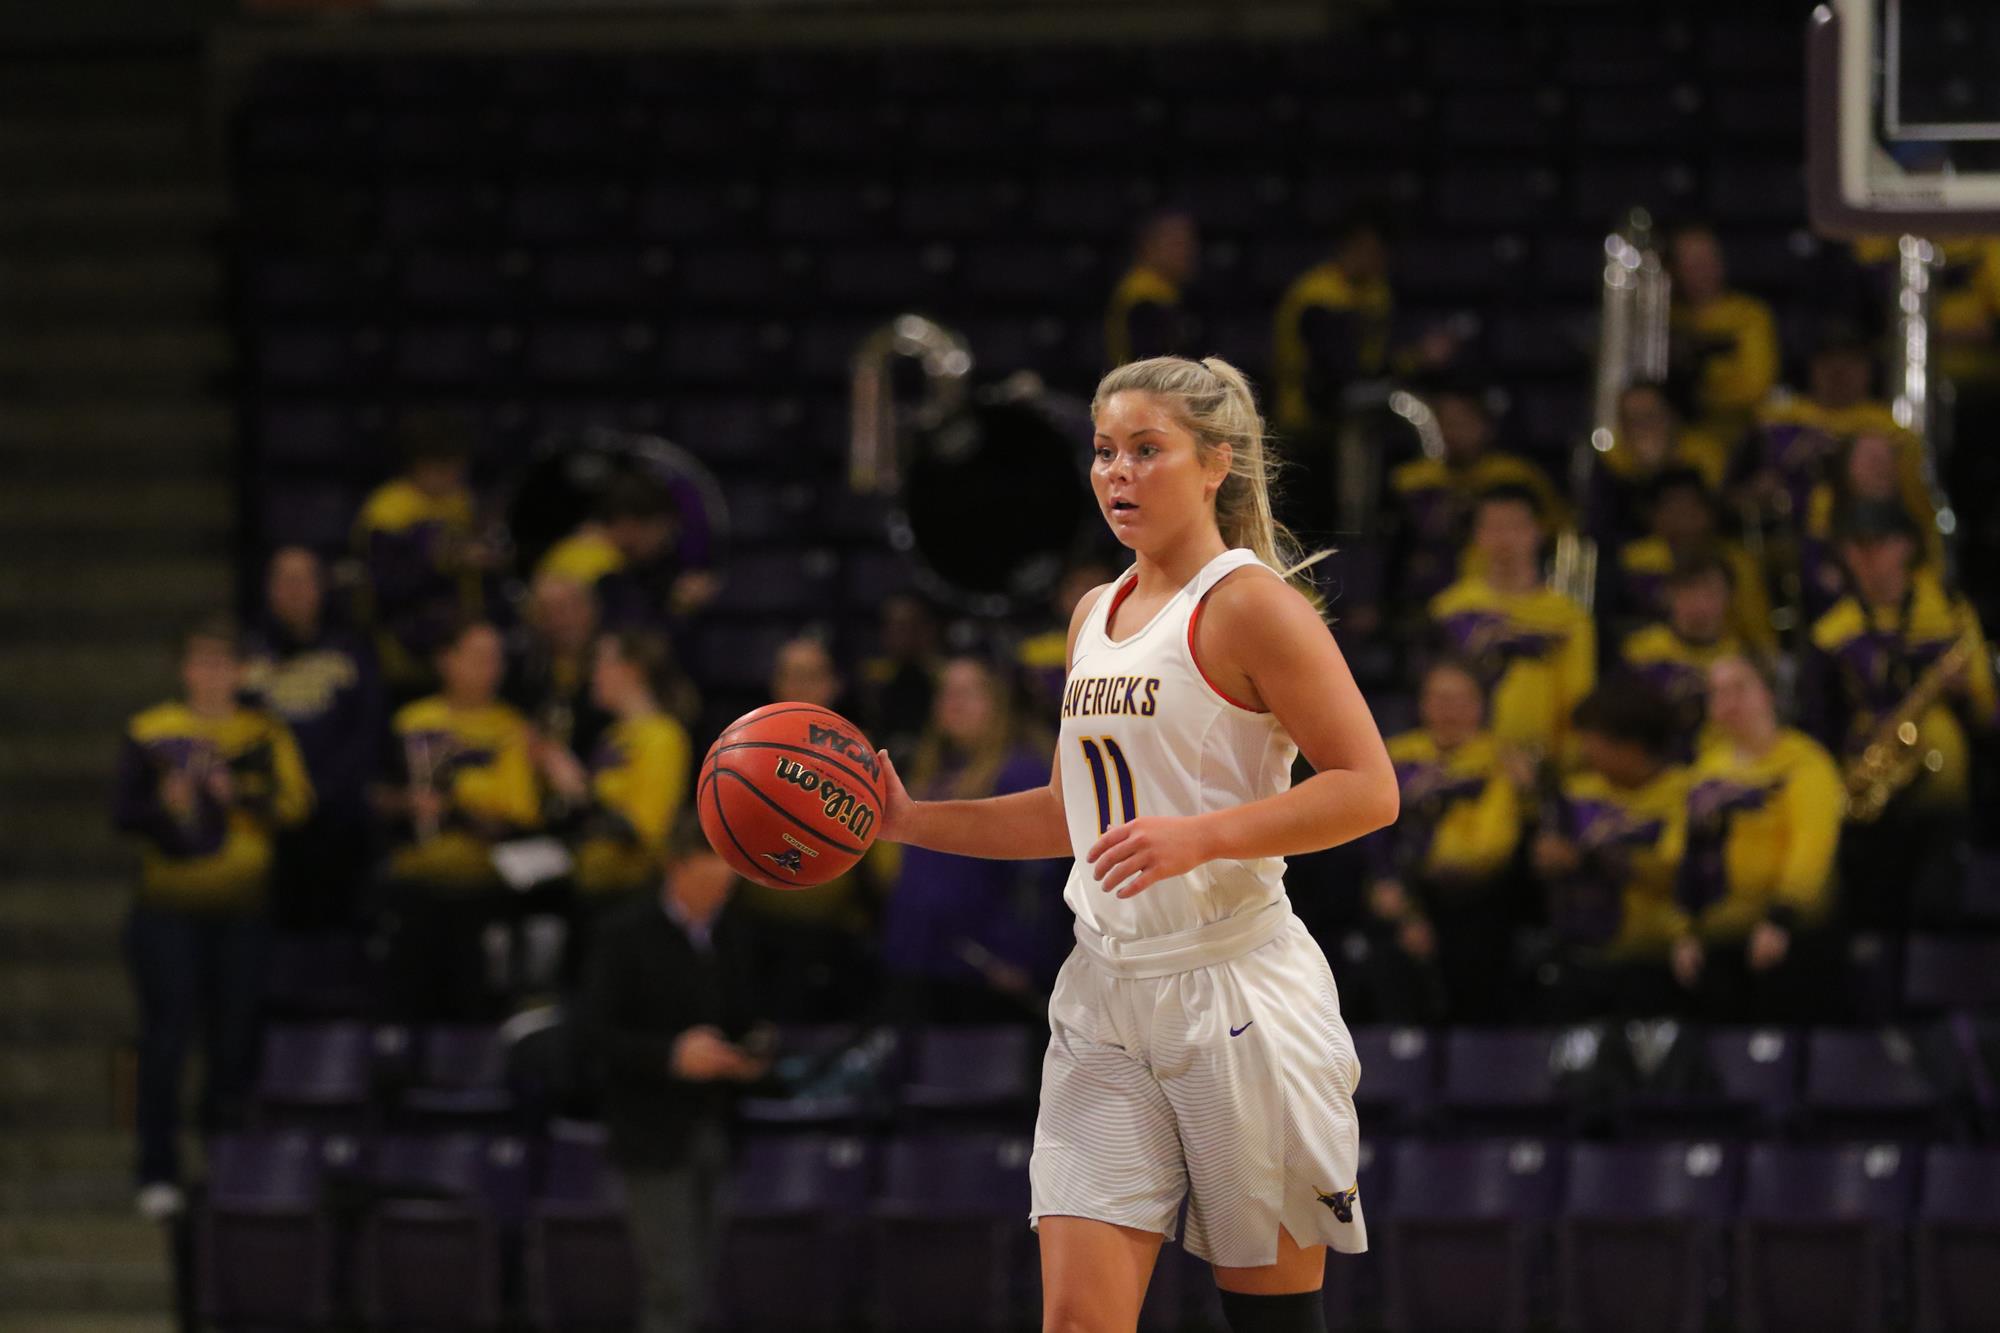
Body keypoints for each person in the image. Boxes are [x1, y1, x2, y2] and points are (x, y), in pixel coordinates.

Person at [875, 355, 1400, 1333]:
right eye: (1104, 452)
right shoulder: (1091, 613)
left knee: (1270, 1322)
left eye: (1144, 450)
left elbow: (1368, 788)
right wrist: (912, 820)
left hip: (1233, 989)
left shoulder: (1248, 605)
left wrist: (1202, 836)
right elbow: (1077, 814)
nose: (1116, 473)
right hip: (1102, 992)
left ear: (1215, 463)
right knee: (1076, 1320)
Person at [111, 618, 313, 1219]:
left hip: (242, 911)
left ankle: (229, 1168)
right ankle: (157, 1171)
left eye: (224, 663)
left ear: (240, 671)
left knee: (234, 1042)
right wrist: (164, 806)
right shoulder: (152, 730)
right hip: (168, 908)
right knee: (165, 1039)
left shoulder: (263, 731)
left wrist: (239, 795)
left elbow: (297, 806)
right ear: (184, 669)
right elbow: (123, 811)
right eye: (202, 662)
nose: (213, 674)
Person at [580, 817, 770, 1333]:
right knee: (673, 1286)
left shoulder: (733, 932)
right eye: (713, 872)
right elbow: (593, 1035)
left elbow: (749, 1017)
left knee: (704, 1283)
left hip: (717, 1125)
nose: (724, 885)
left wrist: (751, 1052)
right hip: (652, 1132)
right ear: (678, 866)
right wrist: (671, 1054)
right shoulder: (624, 933)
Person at [1804, 503, 1997, 927]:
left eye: (1876, 545)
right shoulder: (1832, 631)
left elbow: (1990, 715)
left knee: (1940, 913)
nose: (1864, 558)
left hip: (1944, 789)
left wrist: (1965, 695)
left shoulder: (1949, 611)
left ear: (1906, 546)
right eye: (1854, 547)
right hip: (1870, 790)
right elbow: (1820, 721)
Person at [880, 655, 1067, 1022]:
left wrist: (1017, 954)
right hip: (918, 958)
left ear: (998, 701)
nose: (953, 704)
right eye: (946, 693)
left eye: (968, 694)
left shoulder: (1024, 772)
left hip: (987, 972)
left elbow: (1039, 880)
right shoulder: (930, 768)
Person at [379, 620, 541, 1019]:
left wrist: (455, 806)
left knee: (475, 997)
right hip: (415, 879)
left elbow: (520, 814)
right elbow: (376, 793)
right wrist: (406, 804)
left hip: (482, 887)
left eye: (496, 659)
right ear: (446, 661)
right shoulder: (412, 721)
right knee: (404, 996)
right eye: (479, 658)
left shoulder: (512, 727)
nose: (491, 668)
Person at [1671, 654, 1842, 1023]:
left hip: (1789, 934)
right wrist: (1684, 932)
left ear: (1768, 695)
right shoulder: (1707, 769)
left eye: (1739, 688)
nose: (1727, 702)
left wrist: (1779, 919)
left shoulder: (1806, 762)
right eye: (1717, 693)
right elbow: (1689, 851)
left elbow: (1811, 848)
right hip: (1717, 939)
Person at [733, 635, 882, 1021]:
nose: (799, 686)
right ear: (775, 683)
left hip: (832, 931)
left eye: (810, 676)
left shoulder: (864, 757)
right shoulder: (740, 748)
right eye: (790, 675)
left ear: (834, 684)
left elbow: (883, 861)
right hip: (751, 925)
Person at [1364, 659, 1521, 1023]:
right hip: (1408, 892)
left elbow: (1498, 841)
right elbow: (1376, 832)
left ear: (1481, 705)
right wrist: (1395, 894)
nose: (1449, 710)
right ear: (1422, 704)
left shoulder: (1501, 758)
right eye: (1439, 698)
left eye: (1461, 699)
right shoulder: (1396, 755)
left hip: (1481, 897)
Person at [1527, 677, 1689, 1021]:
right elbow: (1547, 854)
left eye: (1592, 740)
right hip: (1579, 959)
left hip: (1653, 962)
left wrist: (1589, 858)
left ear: (1630, 746)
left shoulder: (1683, 794)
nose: (1585, 750)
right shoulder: (1577, 792)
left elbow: (1671, 871)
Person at [240, 546, 384, 929]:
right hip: (269, 821)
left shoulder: (352, 651)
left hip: (338, 822)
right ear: (268, 589)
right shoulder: (247, 654)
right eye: (283, 580)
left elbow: (368, 731)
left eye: (302, 579)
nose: (293, 590)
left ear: (321, 587)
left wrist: (325, 791)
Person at [1427, 484, 1596, 762]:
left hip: (1538, 762)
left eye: (1515, 527)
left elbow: (1578, 702)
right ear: (1477, 536)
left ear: (1538, 531)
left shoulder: (1568, 617)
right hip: (1462, 765)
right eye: (1493, 528)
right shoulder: (1450, 608)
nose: (1504, 539)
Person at [538, 631, 692, 913]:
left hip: (631, 893)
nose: (594, 674)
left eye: (601, 663)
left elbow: (646, 829)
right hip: (591, 883)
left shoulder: (662, 736)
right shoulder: (612, 735)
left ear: (632, 671)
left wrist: (578, 790)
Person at [1382, 384, 1563, 611]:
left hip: (1505, 591)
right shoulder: (1413, 479)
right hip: (1429, 590)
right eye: (1445, 424)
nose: (1453, 433)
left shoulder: (1515, 475)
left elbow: (1553, 529)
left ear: (1486, 426)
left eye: (1463, 423)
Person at [352, 409, 494, 697]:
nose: (455, 477)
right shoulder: (388, 511)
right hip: (403, 660)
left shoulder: (461, 503)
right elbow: (387, 587)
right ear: (422, 466)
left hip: (458, 654)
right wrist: (445, 561)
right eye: (447, 469)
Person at [1610, 468, 1774, 654]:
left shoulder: (1739, 562)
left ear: (1708, 513)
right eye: (1672, 509)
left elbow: (1759, 632)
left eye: (1690, 507)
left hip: (1728, 658)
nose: (1683, 518)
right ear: (1653, 516)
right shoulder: (1637, 558)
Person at [538, 474, 718, 631]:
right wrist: (680, 608)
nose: (663, 544)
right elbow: (633, 639)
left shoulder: (574, 549)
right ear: (628, 525)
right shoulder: (602, 566)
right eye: (659, 531)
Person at [1618, 550, 1750, 760]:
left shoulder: (1744, 659)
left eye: (1711, 593)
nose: (1700, 604)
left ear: (1729, 598)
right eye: (1689, 591)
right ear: (1669, 595)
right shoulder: (1641, 652)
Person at [1667, 224, 1778, 448]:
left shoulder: (1749, 314)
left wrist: (1701, 392)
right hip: (1674, 439)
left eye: (1707, 260)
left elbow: (1754, 386)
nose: (1701, 270)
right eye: (1690, 263)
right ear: (1674, 269)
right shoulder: (1664, 318)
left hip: (1738, 437)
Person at [507, 571, 613, 763]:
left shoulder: (614, 666)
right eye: (553, 611)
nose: (566, 619)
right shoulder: (521, 671)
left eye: (575, 606)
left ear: (594, 609)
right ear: (536, 618)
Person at [1105, 209, 1201, 368]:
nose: (1188, 252)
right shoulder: (1143, 296)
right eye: (1177, 244)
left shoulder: (1167, 291)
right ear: (1148, 246)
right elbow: (1152, 364)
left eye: (1190, 244)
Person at [859, 592, 942, 760]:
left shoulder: (943, 679)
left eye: (910, 626)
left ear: (928, 629)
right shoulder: (870, 681)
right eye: (894, 626)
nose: (902, 636)